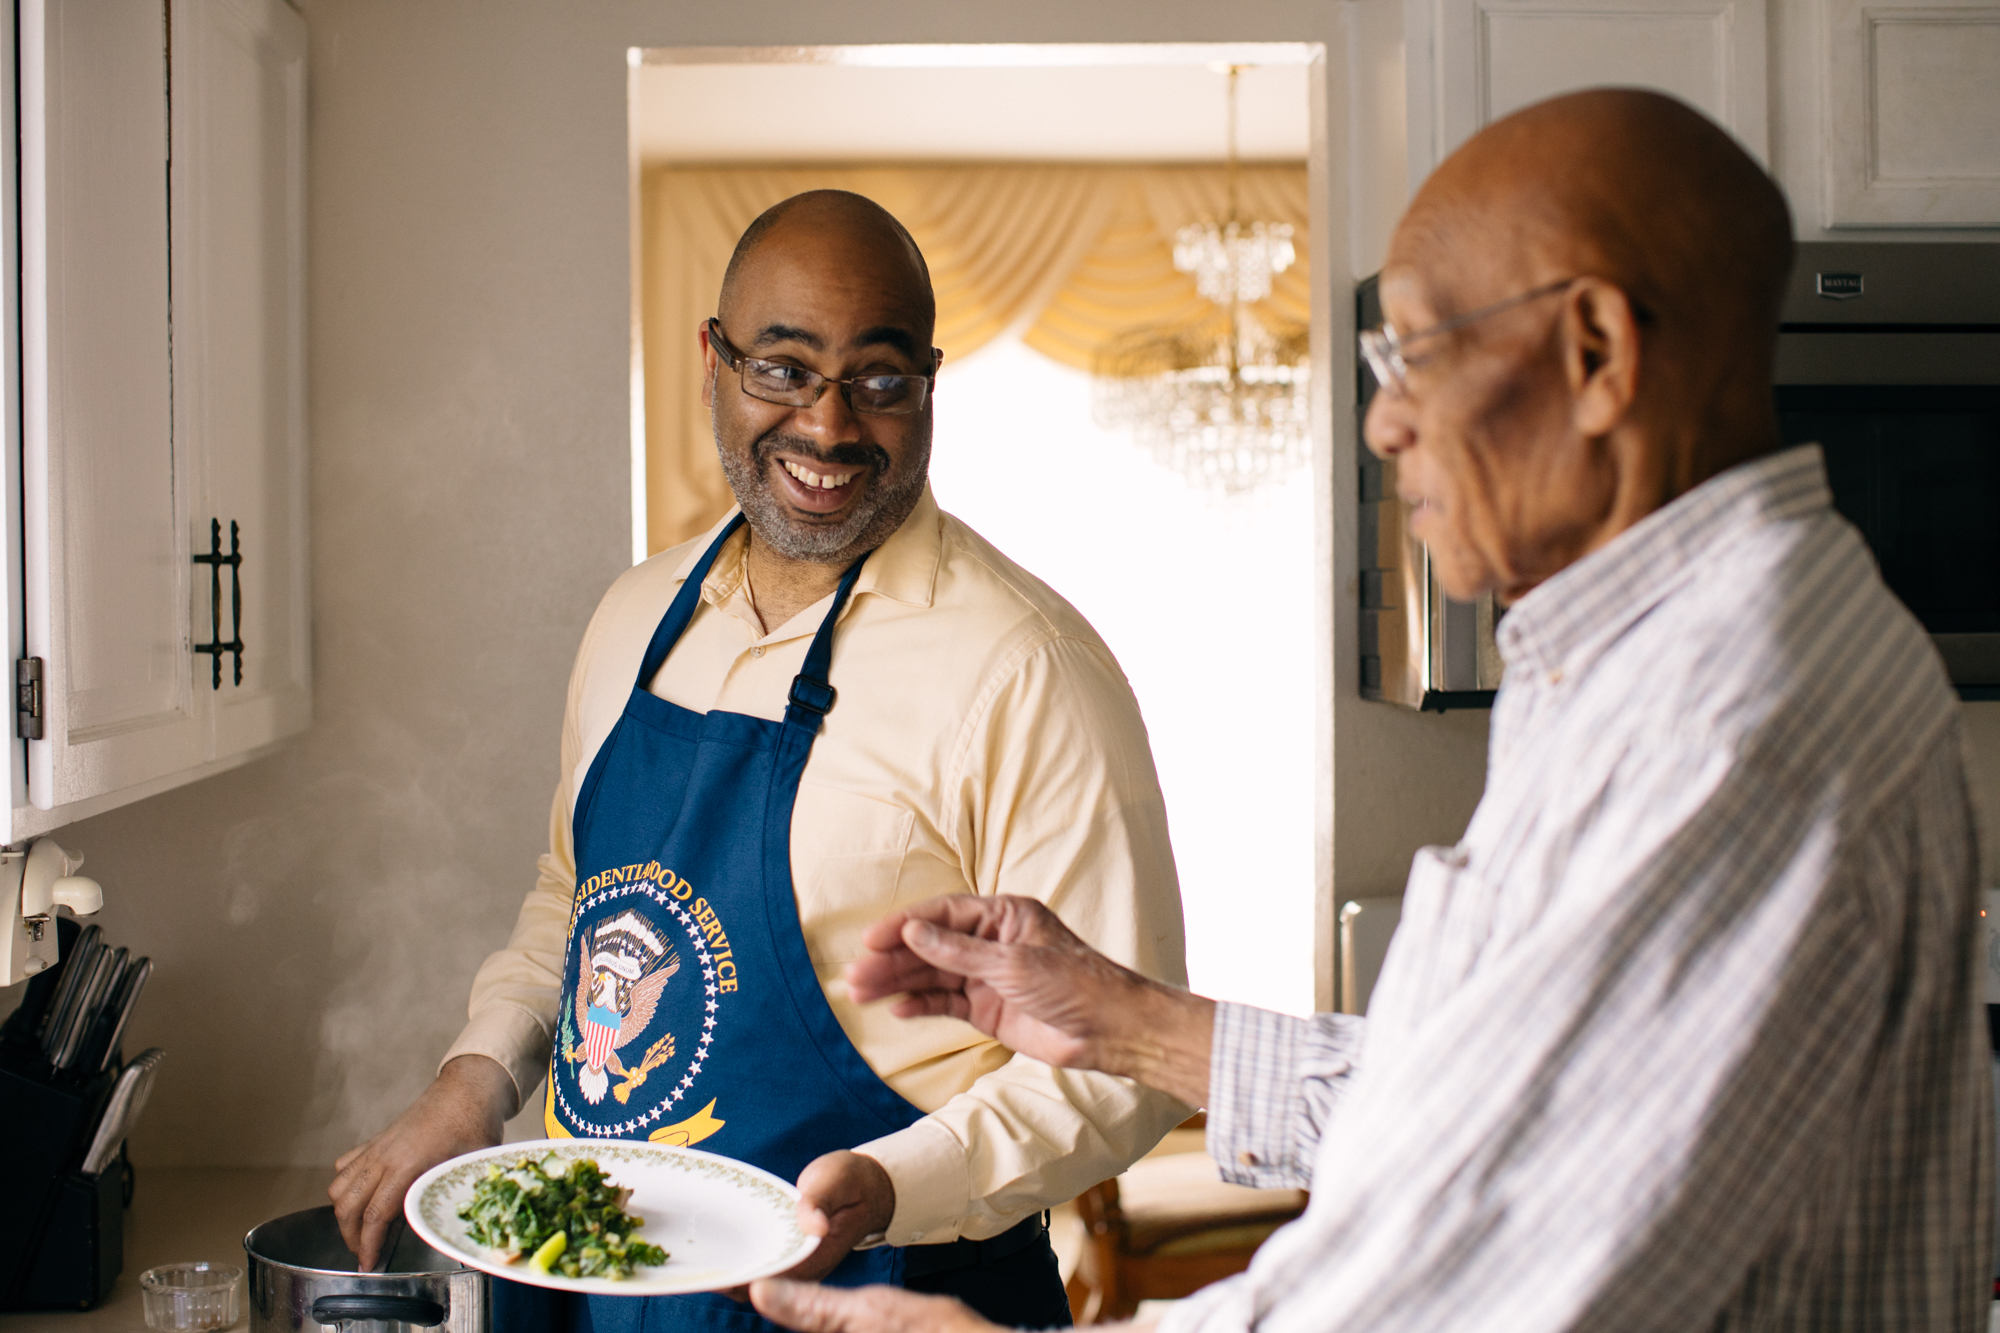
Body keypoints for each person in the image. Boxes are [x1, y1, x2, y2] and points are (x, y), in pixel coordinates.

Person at [742, 89, 1994, 1333]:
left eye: (1413, 354)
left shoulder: (1723, 717)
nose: (1384, 422)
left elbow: (1492, 1273)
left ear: (1597, 355)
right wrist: (1127, 1020)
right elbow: (1493, 1107)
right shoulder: (1663, 658)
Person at [328, 190, 1192, 1331]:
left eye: (879, 381)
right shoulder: (634, 616)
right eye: (781, 370)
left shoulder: (1024, 668)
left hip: (899, 1294)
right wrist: (472, 1081)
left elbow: (1120, 1064)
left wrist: (892, 1187)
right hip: (598, 1294)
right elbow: (575, 902)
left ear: (930, 384)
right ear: (712, 366)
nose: (828, 428)